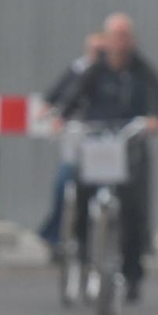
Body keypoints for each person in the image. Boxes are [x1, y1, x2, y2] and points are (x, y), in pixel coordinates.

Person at [53, 13, 158, 301]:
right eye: (115, 35)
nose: (120, 41)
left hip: (128, 147)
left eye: (125, 35)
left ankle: (131, 273)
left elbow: (157, 96)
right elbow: (74, 94)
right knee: (81, 195)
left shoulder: (141, 70)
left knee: (133, 210)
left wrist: (154, 118)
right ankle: (80, 255)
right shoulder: (96, 71)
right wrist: (62, 117)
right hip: (97, 144)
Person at [34, 24, 107, 262]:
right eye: (94, 49)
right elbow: (57, 95)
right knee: (66, 181)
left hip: (102, 137)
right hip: (77, 136)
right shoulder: (77, 70)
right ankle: (55, 234)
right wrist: (54, 116)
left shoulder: (111, 75)